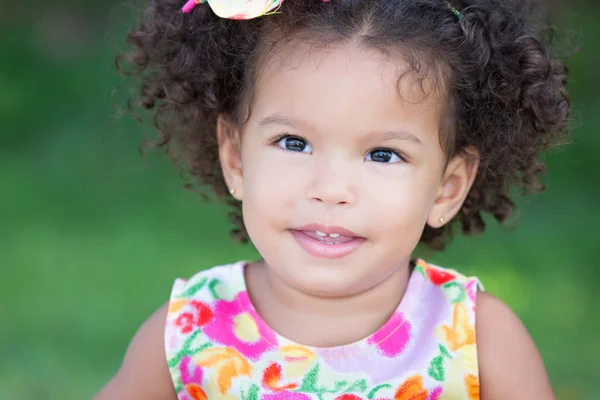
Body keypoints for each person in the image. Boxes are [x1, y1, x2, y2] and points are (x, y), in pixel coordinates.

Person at [96, 0, 570, 398]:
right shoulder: (188, 331)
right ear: (236, 159)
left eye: (383, 154)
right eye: (294, 143)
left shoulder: (477, 339)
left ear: (446, 188)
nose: (330, 189)